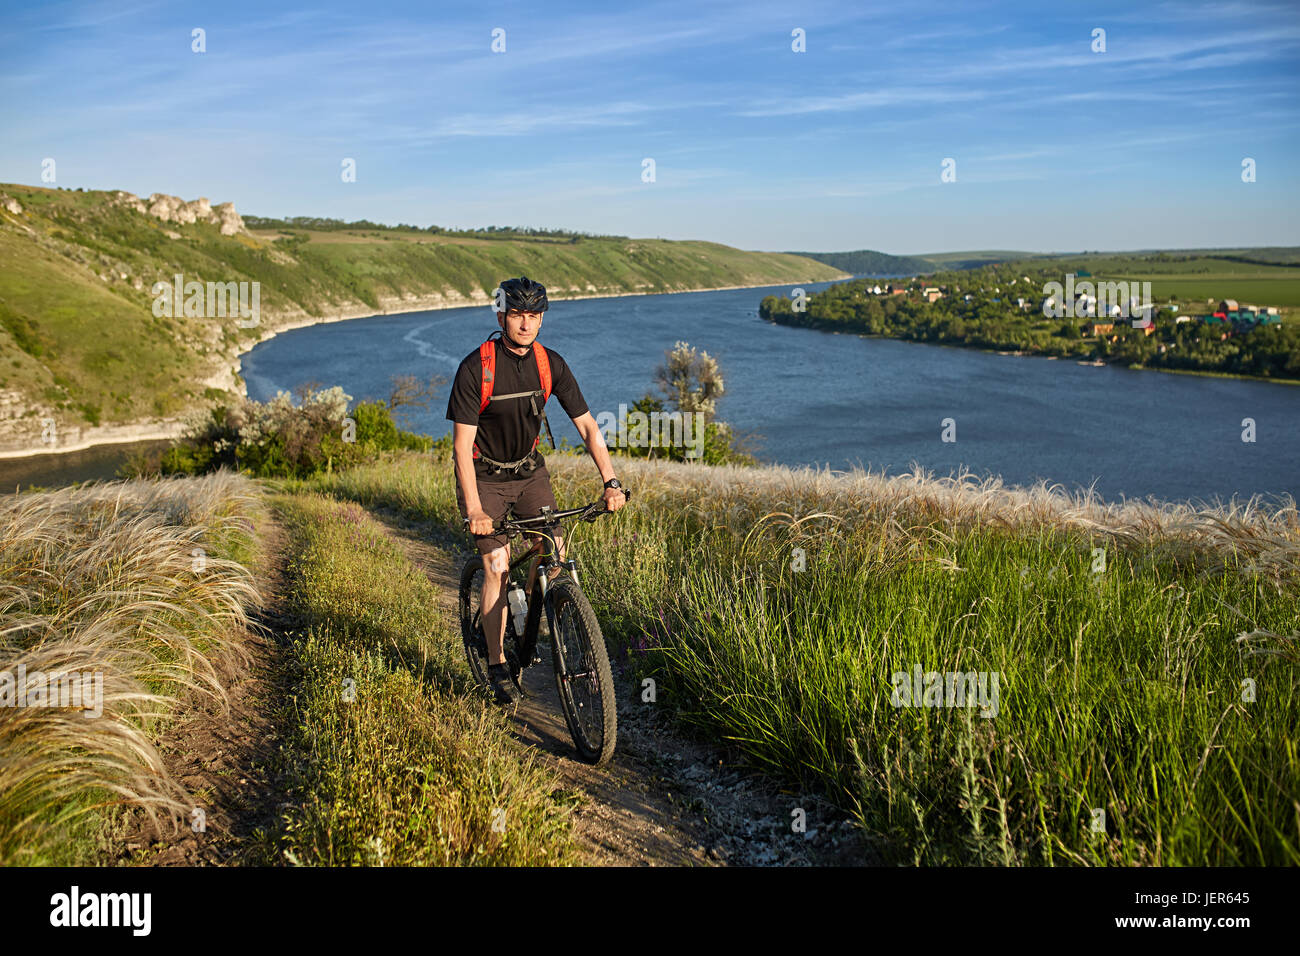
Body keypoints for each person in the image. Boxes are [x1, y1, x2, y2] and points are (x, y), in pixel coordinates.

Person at [446, 276, 626, 704]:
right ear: (500, 315)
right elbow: (459, 445)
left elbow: (586, 426)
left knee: (555, 553)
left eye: (533, 316)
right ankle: (495, 662)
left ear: (542, 318)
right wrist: (474, 508)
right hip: (484, 476)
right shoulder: (477, 368)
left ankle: (526, 611)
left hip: (528, 472)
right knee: (495, 564)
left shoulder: (551, 364)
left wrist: (611, 480)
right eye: (516, 315)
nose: (525, 324)